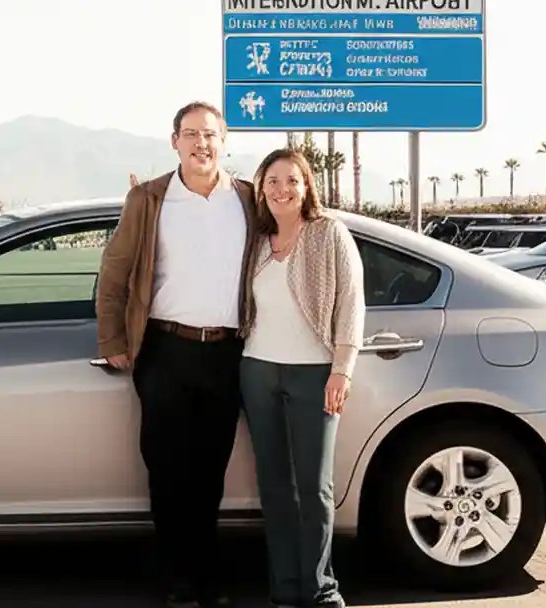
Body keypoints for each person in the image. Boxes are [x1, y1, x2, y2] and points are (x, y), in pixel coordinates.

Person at [96, 100, 258, 608]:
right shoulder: (148, 199)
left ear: (224, 141)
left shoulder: (249, 201)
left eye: (210, 134)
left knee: (210, 472)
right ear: (175, 142)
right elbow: (115, 274)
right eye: (191, 134)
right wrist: (114, 341)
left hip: (228, 353)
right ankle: (177, 578)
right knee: (166, 470)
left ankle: (206, 575)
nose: (201, 143)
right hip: (164, 350)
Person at [236, 147, 365, 608]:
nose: (282, 189)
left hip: (315, 374)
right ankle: (285, 588)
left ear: (307, 185)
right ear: (261, 187)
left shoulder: (329, 233)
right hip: (257, 370)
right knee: (274, 486)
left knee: (315, 487)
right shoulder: (256, 241)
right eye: (272, 181)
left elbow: (351, 304)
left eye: (292, 180)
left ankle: (321, 588)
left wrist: (342, 370)